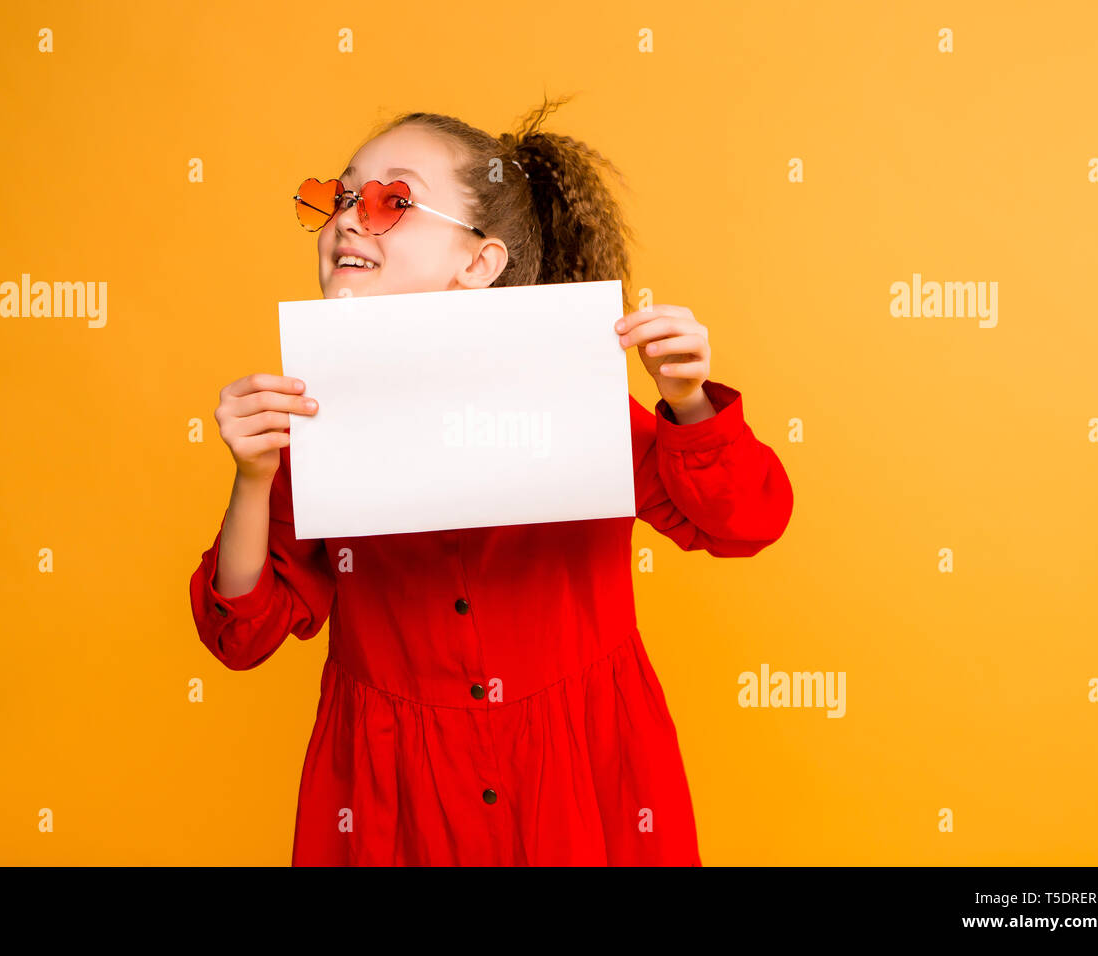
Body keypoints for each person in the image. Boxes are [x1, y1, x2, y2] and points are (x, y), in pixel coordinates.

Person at [189, 95, 794, 865]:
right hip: (392, 802)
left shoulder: (575, 397)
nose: (347, 217)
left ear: (479, 262)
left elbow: (743, 524)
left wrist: (688, 401)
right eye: (337, 197)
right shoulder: (310, 421)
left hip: (586, 787)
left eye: (390, 201)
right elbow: (242, 634)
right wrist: (251, 476)